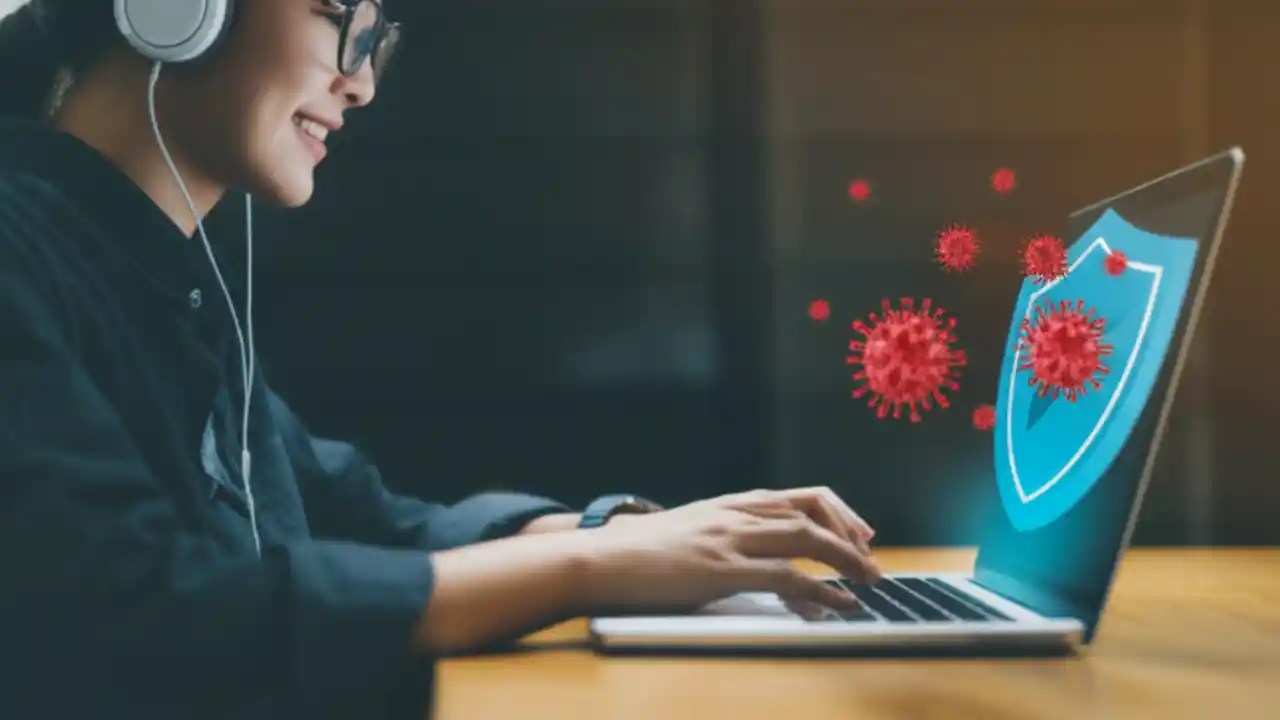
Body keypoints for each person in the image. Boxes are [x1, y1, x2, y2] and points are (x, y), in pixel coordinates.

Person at [0, 1, 880, 717]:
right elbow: (143, 606)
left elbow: (362, 517)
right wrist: (587, 569)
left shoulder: (168, 277)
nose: (363, 81)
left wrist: (634, 537)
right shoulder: (20, 257)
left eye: (376, 36)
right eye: (339, 17)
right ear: (178, 10)